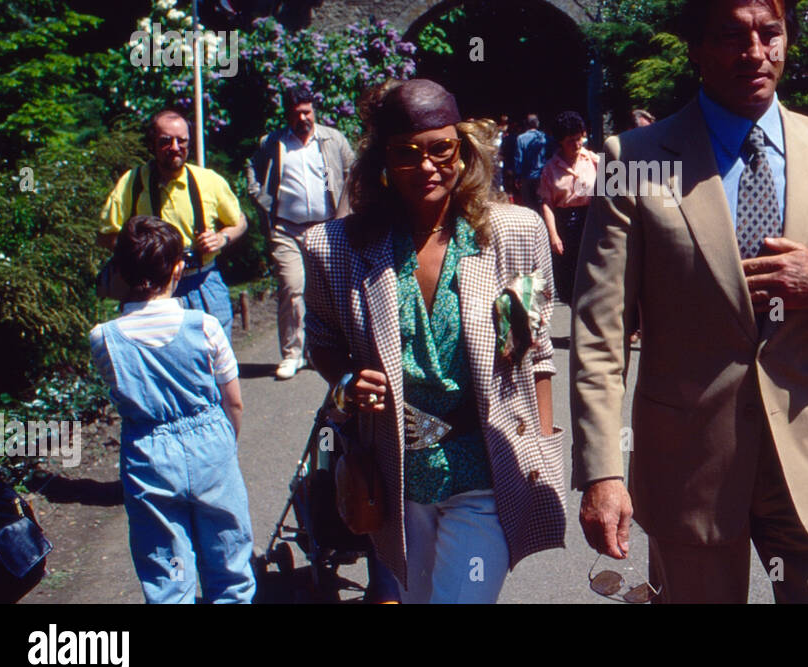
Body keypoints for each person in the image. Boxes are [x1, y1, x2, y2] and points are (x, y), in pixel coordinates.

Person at [570, 0, 808, 604]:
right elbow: (597, 332)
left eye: (771, 32)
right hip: (689, 466)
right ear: (698, 48)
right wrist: (601, 473)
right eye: (732, 35)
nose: (755, 50)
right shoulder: (636, 160)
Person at [302, 80, 565, 603]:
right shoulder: (334, 248)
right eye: (406, 153)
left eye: (441, 148)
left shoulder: (516, 233)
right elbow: (323, 340)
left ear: (464, 149)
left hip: (485, 467)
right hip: (395, 474)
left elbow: (535, 349)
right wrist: (348, 381)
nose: (427, 167)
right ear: (382, 159)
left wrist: (543, 444)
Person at [89, 216, 254, 604]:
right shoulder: (205, 326)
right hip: (211, 443)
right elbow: (234, 401)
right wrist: (225, 446)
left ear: (122, 272)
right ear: (179, 267)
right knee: (227, 554)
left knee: (167, 563)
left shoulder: (103, 339)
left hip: (148, 452)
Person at [99, 109, 247, 339]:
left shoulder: (208, 180)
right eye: (166, 141)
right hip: (150, 291)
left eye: (182, 140)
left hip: (203, 282)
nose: (175, 147)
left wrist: (221, 238)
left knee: (214, 360)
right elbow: (107, 235)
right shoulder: (132, 182)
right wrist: (139, 253)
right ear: (153, 144)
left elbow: (239, 222)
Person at [246, 86, 356, 379]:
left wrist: (344, 214)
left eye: (307, 111)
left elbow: (353, 174)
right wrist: (263, 201)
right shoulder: (273, 143)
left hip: (328, 227)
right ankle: (292, 354)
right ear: (287, 115)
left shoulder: (333, 139)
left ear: (314, 110)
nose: (303, 118)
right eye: (297, 114)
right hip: (287, 228)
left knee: (334, 290)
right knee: (292, 287)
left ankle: (333, 350)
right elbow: (252, 172)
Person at [538, 110, 599, 303]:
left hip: (592, 220)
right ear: (561, 142)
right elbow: (547, 203)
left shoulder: (594, 161)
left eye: (579, 138)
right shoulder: (550, 169)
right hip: (565, 223)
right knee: (567, 279)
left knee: (594, 273)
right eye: (571, 141)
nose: (577, 144)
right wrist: (553, 235)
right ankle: (576, 316)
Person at [512, 114, 548, 212]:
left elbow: (518, 159)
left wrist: (517, 176)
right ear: (537, 124)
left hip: (526, 176)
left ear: (526, 124)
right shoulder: (543, 137)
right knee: (542, 204)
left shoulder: (521, 138)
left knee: (529, 206)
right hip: (541, 176)